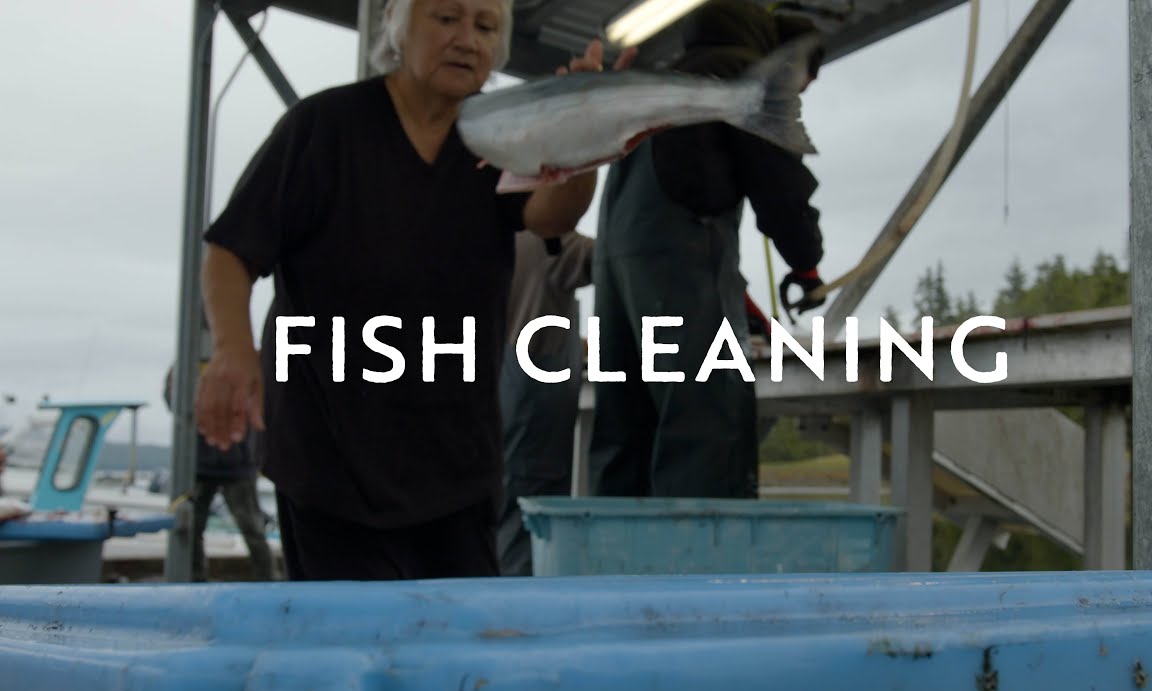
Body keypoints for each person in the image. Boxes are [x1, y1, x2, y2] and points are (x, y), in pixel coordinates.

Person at [194, 0, 633, 581]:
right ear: (397, 28)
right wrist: (231, 350)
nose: (467, 40)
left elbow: (549, 214)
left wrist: (581, 145)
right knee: (343, 651)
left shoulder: (497, 138)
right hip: (329, 460)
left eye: (485, 27)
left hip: (457, 461)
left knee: (456, 656)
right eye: (446, 19)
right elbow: (231, 250)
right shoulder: (323, 127)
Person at [588, 0, 827, 500]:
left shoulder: (668, 79)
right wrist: (806, 261)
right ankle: (704, 570)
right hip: (684, 255)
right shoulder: (743, 79)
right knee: (707, 431)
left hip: (618, 270)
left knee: (627, 431)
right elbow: (779, 185)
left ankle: (617, 571)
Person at [497, 229, 593, 576]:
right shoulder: (550, 240)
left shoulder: (466, 231)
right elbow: (608, 260)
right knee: (527, 545)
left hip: (481, 407)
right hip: (529, 412)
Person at [164, 365, 276, 582]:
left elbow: (260, 401)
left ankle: (268, 581)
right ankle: (194, 581)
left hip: (238, 465)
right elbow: (173, 401)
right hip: (199, 464)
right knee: (191, 529)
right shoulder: (187, 363)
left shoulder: (240, 356)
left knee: (253, 529)